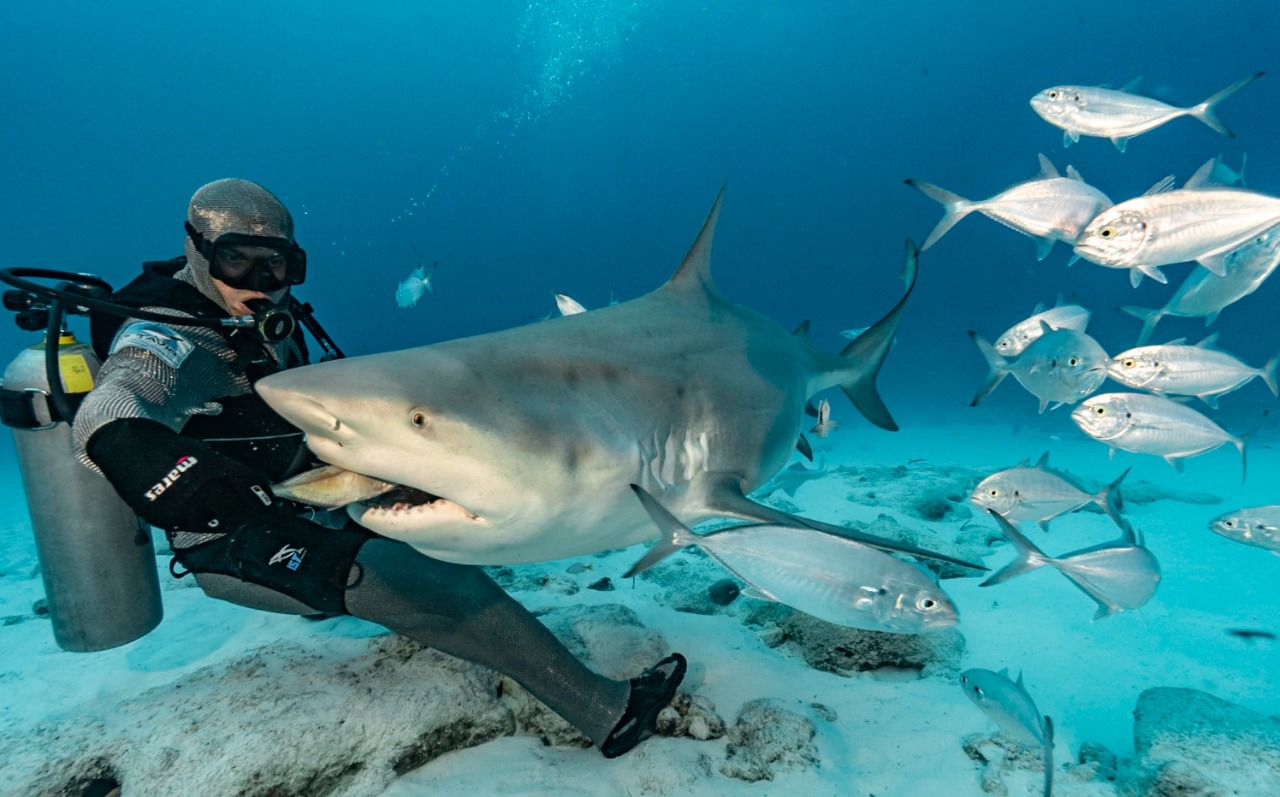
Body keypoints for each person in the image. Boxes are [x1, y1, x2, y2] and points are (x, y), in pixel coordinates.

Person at [71, 177, 686, 758]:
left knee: (437, 535)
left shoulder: (265, 321)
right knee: (434, 582)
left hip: (300, 502)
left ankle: (339, 591)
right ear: (198, 252)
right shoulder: (173, 337)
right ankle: (608, 712)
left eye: (278, 263)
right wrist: (158, 464)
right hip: (229, 539)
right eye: (237, 259)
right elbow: (114, 402)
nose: (261, 279)